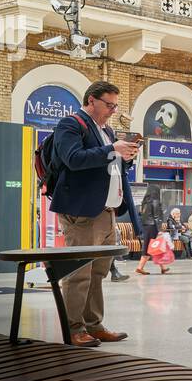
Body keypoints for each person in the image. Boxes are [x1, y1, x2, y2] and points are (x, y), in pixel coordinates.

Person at [48, 81, 138, 347]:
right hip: (82, 212)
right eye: (108, 105)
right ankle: (73, 328)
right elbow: (73, 159)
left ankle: (94, 324)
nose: (112, 110)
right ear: (91, 101)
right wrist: (112, 149)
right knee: (79, 273)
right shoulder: (71, 124)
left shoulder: (106, 130)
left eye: (115, 105)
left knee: (98, 271)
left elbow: (109, 165)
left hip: (107, 211)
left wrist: (126, 156)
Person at [134, 184, 165, 276]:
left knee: (155, 247)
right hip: (153, 226)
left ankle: (163, 268)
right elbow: (156, 216)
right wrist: (159, 229)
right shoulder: (155, 201)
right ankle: (140, 267)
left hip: (146, 226)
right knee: (150, 247)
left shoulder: (144, 203)